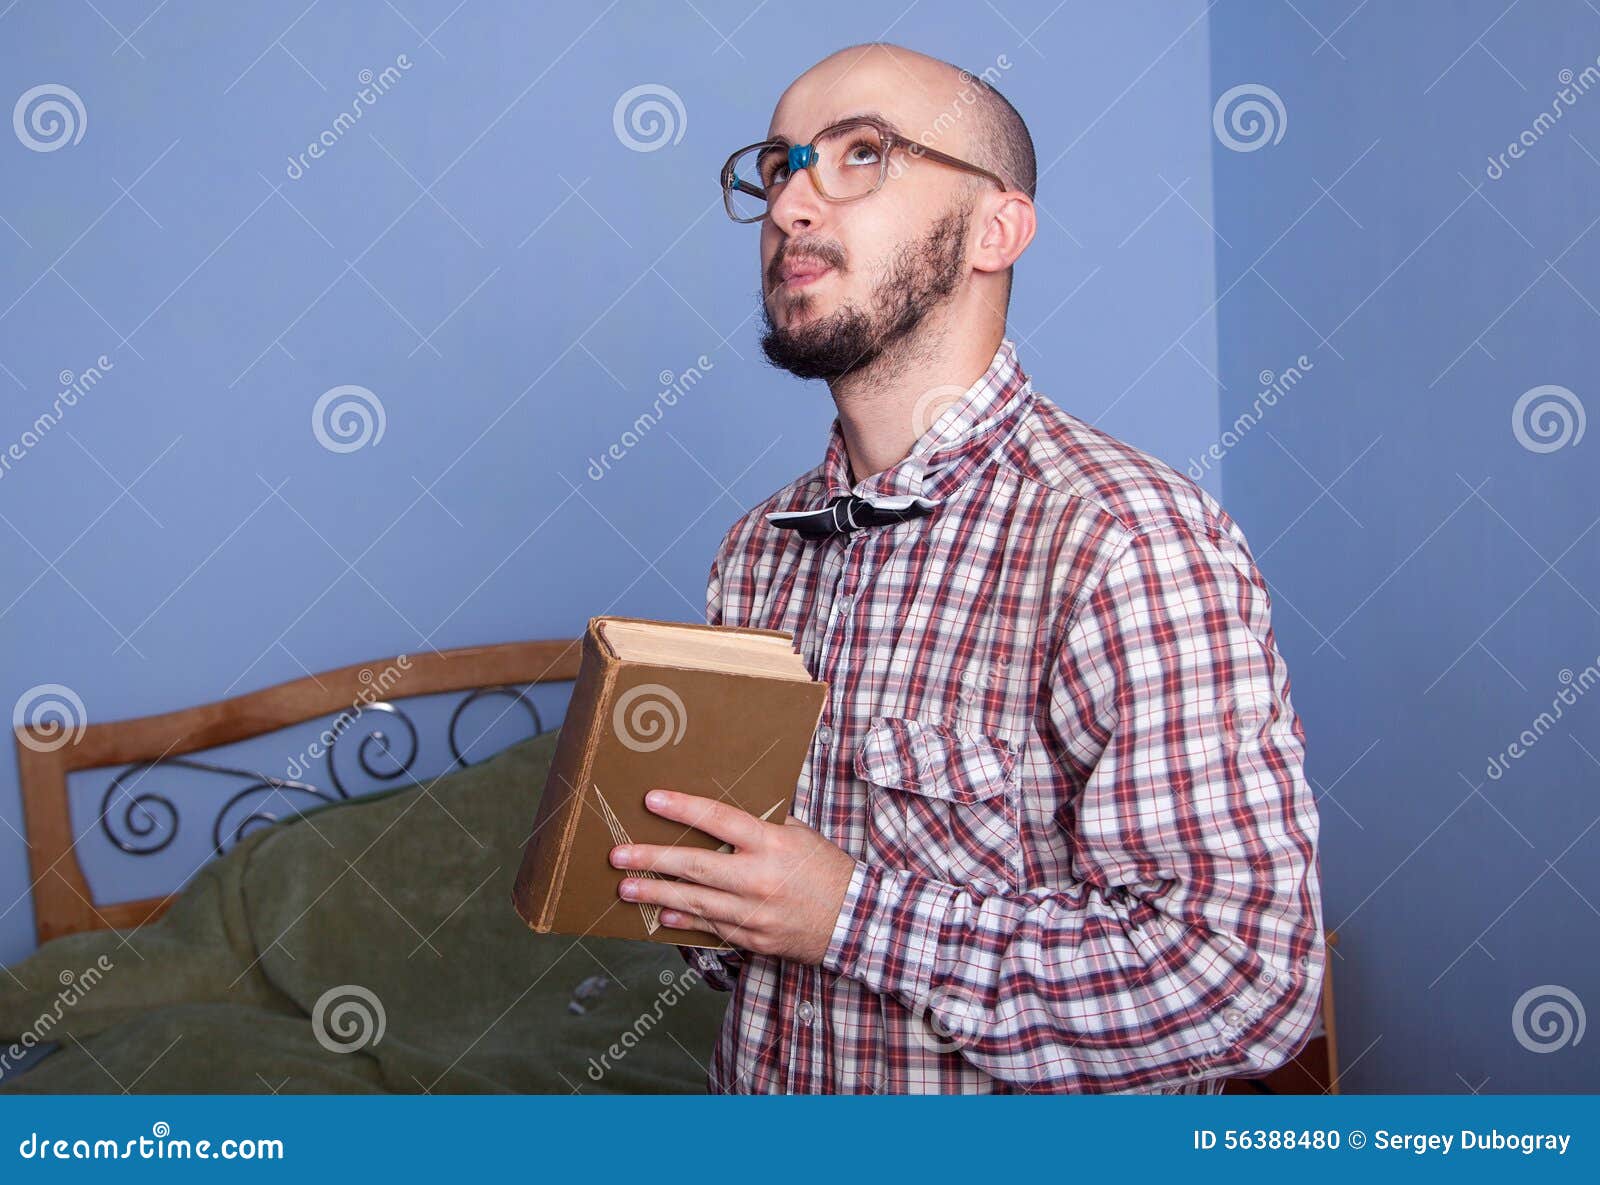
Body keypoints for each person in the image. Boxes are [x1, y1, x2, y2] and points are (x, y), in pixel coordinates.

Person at [606, 41, 1325, 1094]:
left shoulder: (1126, 539)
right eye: (777, 167)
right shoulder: (755, 551)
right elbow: (739, 945)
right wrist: (697, 894)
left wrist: (850, 913)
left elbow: (1241, 980)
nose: (791, 205)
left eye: (861, 154)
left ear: (997, 228)